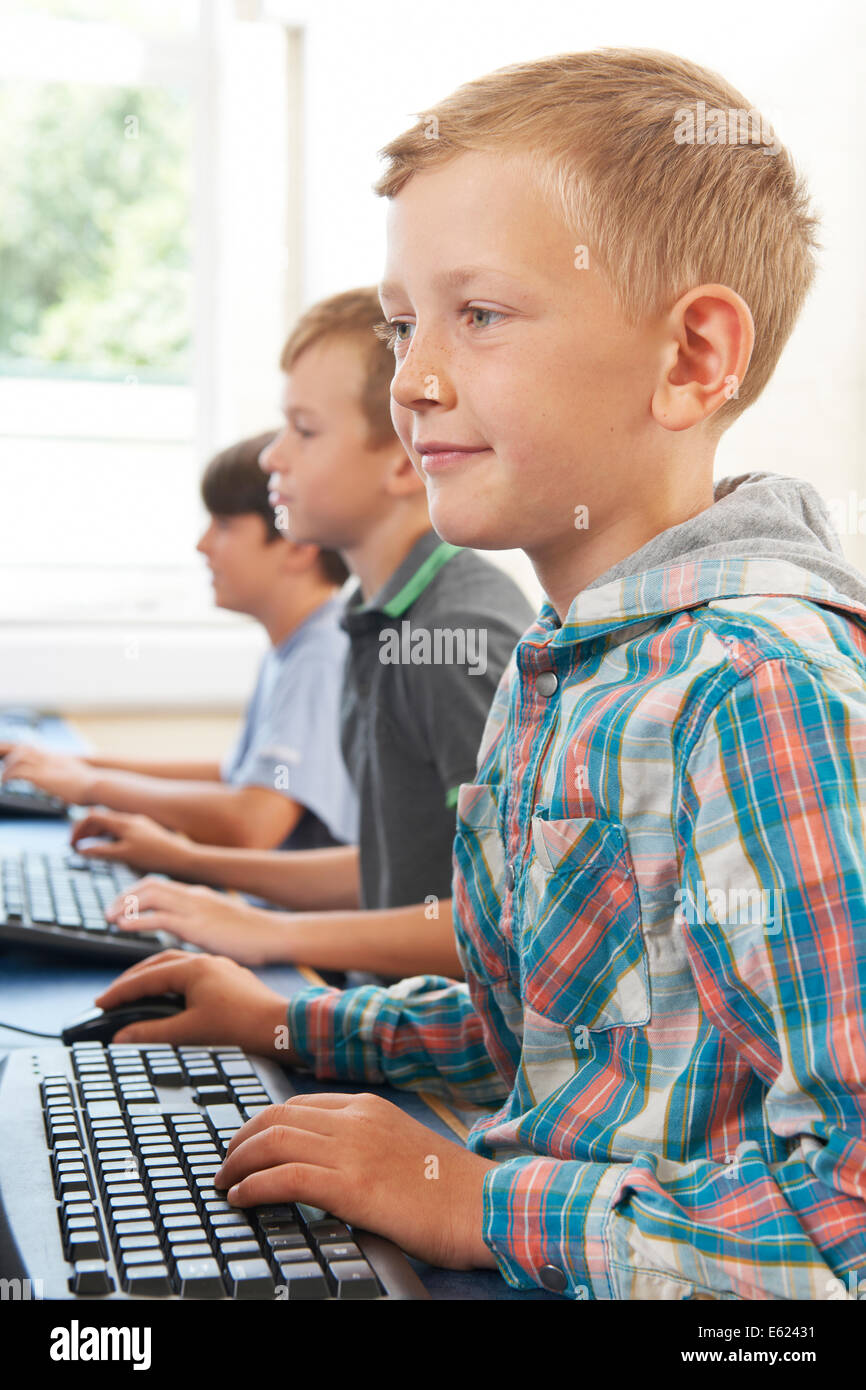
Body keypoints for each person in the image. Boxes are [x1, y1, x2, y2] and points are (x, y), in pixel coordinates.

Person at [95, 47, 866, 1298]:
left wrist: (467, 1196)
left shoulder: (755, 691)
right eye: (404, 325)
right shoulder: (565, 665)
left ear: (689, 359)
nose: (411, 380)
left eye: (481, 315)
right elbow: (544, 1037)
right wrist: (283, 1019)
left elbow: (847, 1217)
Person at [72, 288, 534, 977]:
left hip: (442, 1073)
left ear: (405, 458)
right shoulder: (372, 617)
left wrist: (269, 934)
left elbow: (500, 924)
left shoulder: (455, 635)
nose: (272, 459)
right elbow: (397, 869)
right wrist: (189, 864)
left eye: (305, 430)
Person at [1, 435, 358, 851]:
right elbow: (235, 776)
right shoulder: (294, 644)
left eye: (223, 525)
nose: (202, 544)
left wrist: (91, 786)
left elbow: (254, 822)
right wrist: (72, 766)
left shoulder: (322, 654)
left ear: (297, 545)